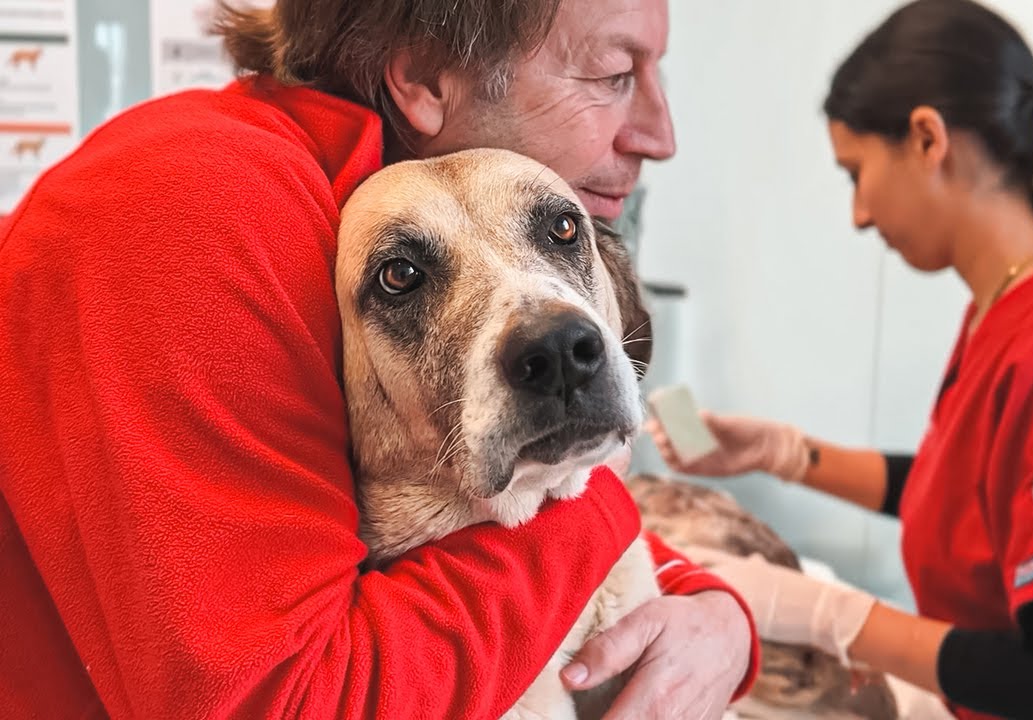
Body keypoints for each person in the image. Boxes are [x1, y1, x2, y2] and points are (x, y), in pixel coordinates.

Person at [0, 0, 760, 717]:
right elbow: (286, 698)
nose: (660, 135)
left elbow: (440, 505)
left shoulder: (344, 191)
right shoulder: (191, 206)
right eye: (610, 76)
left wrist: (710, 608)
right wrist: (597, 510)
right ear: (428, 76)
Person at [648, 1, 1033, 718]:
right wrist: (787, 453)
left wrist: (837, 618)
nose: (859, 215)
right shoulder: (1008, 308)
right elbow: (967, 499)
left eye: (856, 172)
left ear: (928, 139)